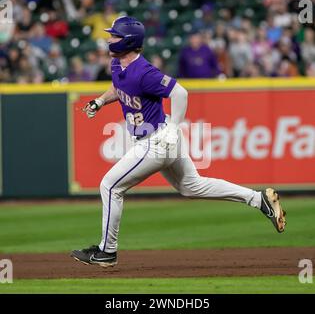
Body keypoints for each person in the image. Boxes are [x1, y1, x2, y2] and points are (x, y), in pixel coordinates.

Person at [71, 16, 287, 268]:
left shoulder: (144, 71)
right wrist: (99, 101)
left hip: (156, 140)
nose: (110, 39)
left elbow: (179, 92)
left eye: (115, 36)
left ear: (128, 41)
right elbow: (118, 88)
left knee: (110, 186)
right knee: (191, 187)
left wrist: (174, 128)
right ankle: (257, 199)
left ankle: (107, 251)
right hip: (157, 139)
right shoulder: (118, 65)